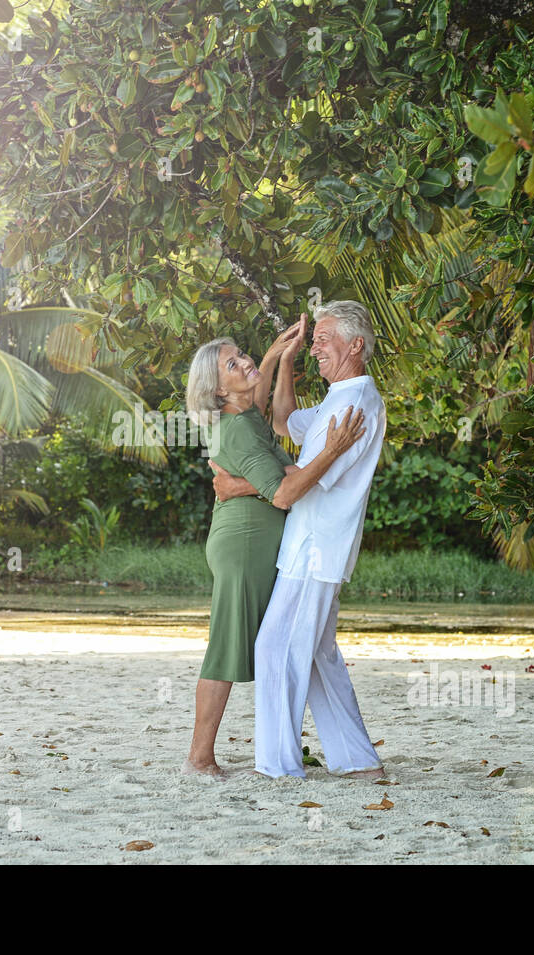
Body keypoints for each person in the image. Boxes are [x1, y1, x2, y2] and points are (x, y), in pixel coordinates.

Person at [211, 301, 386, 779]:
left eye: (324, 337)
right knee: (316, 658)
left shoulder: (355, 403)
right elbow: (285, 422)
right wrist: (285, 363)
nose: (316, 346)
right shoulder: (340, 397)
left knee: (274, 649)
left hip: (315, 547)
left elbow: (298, 485)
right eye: (315, 339)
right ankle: (357, 761)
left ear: (355, 344)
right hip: (313, 546)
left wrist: (237, 485)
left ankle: (278, 766)